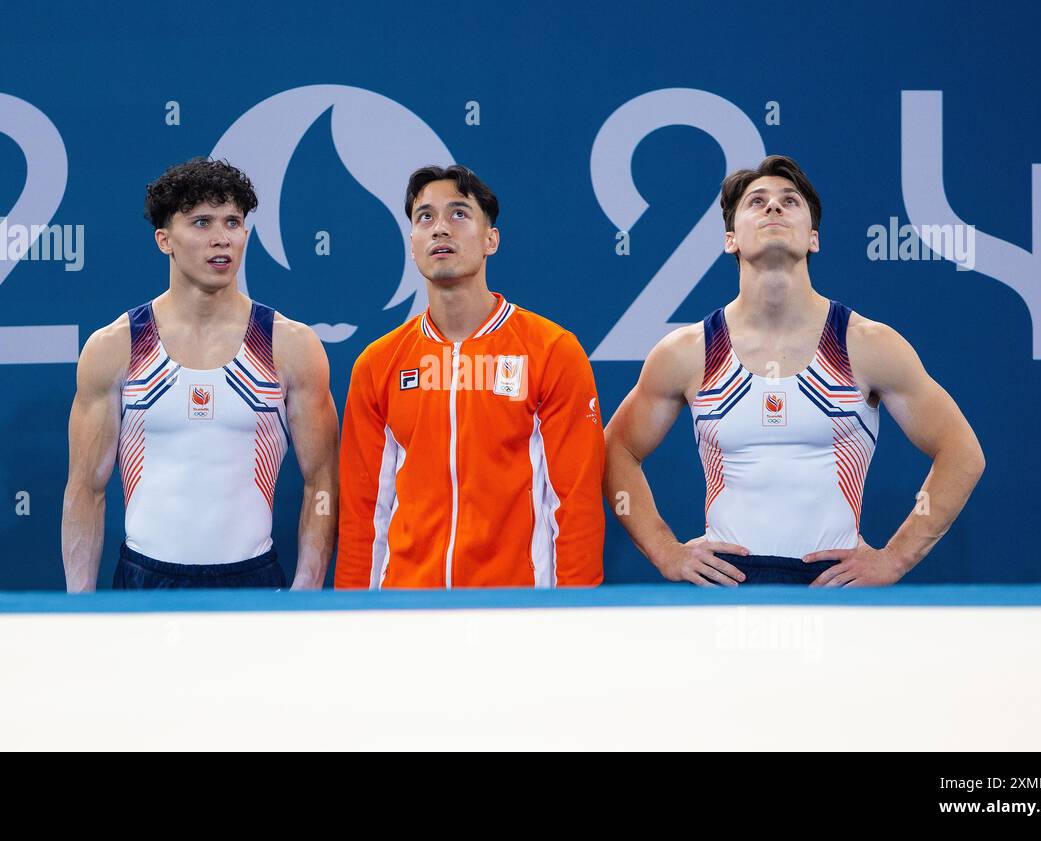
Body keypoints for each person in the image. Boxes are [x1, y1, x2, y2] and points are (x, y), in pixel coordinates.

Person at [604, 155, 985, 586]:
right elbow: (617, 449)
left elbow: (961, 452)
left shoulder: (868, 346)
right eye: (756, 201)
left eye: (790, 201)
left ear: (813, 238)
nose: (773, 208)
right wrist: (665, 550)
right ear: (730, 239)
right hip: (728, 589)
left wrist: (895, 558)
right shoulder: (688, 353)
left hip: (834, 589)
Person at [61, 158, 338, 591]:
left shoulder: (291, 347)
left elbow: (322, 481)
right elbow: (85, 489)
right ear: (164, 240)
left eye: (233, 222)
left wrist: (305, 591)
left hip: (255, 581)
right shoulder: (114, 347)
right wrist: (80, 606)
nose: (221, 239)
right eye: (202, 222)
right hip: (144, 582)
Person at [335, 165, 604, 588]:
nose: (440, 228)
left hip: (515, 612)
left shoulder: (552, 351)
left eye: (459, 214)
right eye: (425, 217)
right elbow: (363, 510)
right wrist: (352, 615)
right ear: (412, 244)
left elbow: (575, 503)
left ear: (490, 240)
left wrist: (575, 613)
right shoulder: (378, 362)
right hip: (407, 611)